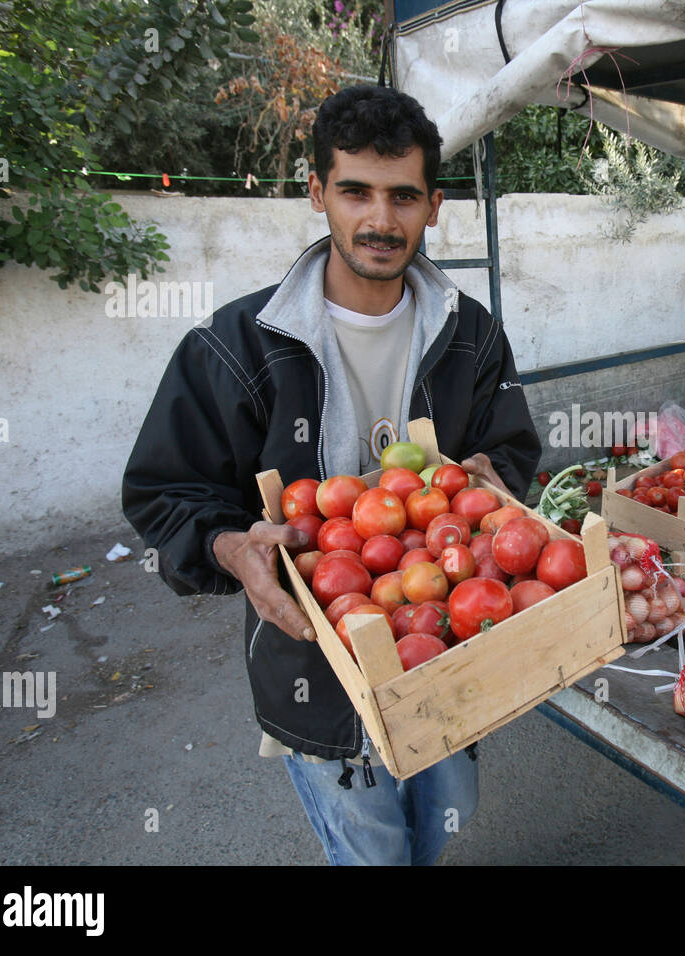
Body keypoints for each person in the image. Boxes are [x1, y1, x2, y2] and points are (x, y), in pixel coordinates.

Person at [122, 85, 541, 865]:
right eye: (355, 191)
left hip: (445, 645)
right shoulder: (238, 346)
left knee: (449, 810)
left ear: (434, 206)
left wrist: (495, 481)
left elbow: (513, 449)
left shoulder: (472, 333)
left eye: (403, 196)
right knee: (371, 850)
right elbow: (165, 492)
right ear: (317, 192)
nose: (381, 221)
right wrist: (228, 548)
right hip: (314, 668)